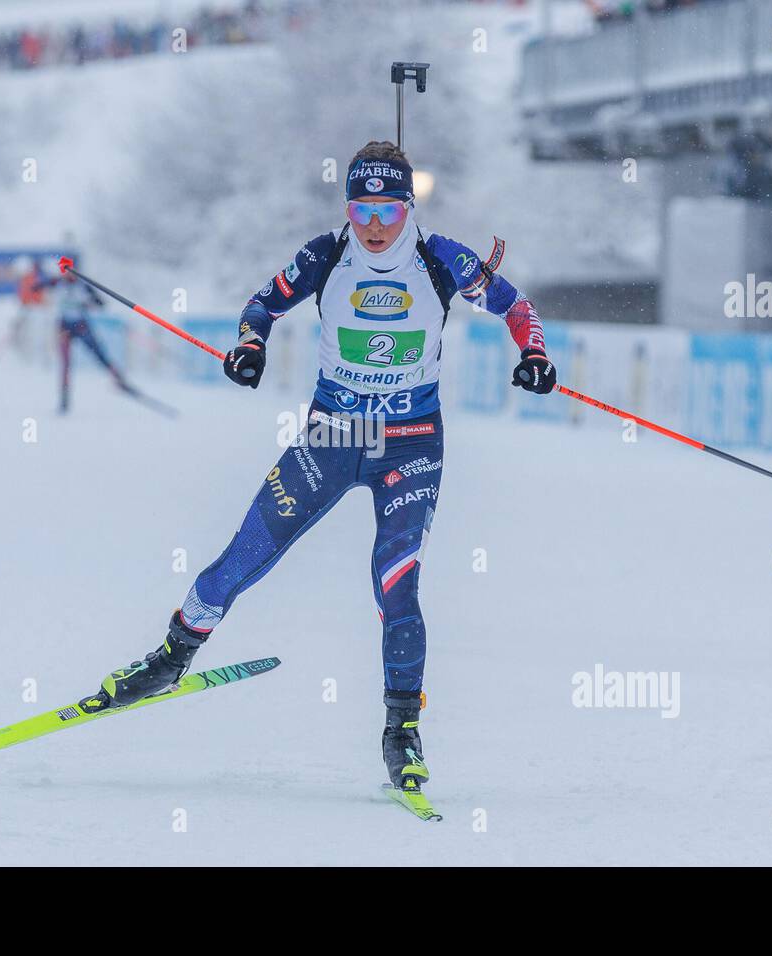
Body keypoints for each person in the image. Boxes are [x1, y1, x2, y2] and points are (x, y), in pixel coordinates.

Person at [95, 141, 557, 793]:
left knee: (396, 585)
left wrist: (533, 355)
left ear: (407, 208)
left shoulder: (442, 258)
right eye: (361, 209)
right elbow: (262, 305)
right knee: (242, 555)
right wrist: (250, 347)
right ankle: (172, 657)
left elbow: (516, 307)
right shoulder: (326, 255)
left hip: (411, 442)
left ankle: (402, 730)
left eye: (388, 211)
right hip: (331, 438)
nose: (373, 225)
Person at [32, 258, 131, 413]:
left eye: (70, 272)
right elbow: (36, 287)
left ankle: (120, 380)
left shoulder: (83, 285)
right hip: (64, 326)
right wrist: (39, 281)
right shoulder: (57, 283)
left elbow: (101, 303)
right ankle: (64, 398)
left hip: (81, 326)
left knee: (99, 355)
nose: (68, 276)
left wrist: (88, 304)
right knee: (65, 363)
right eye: (65, 272)